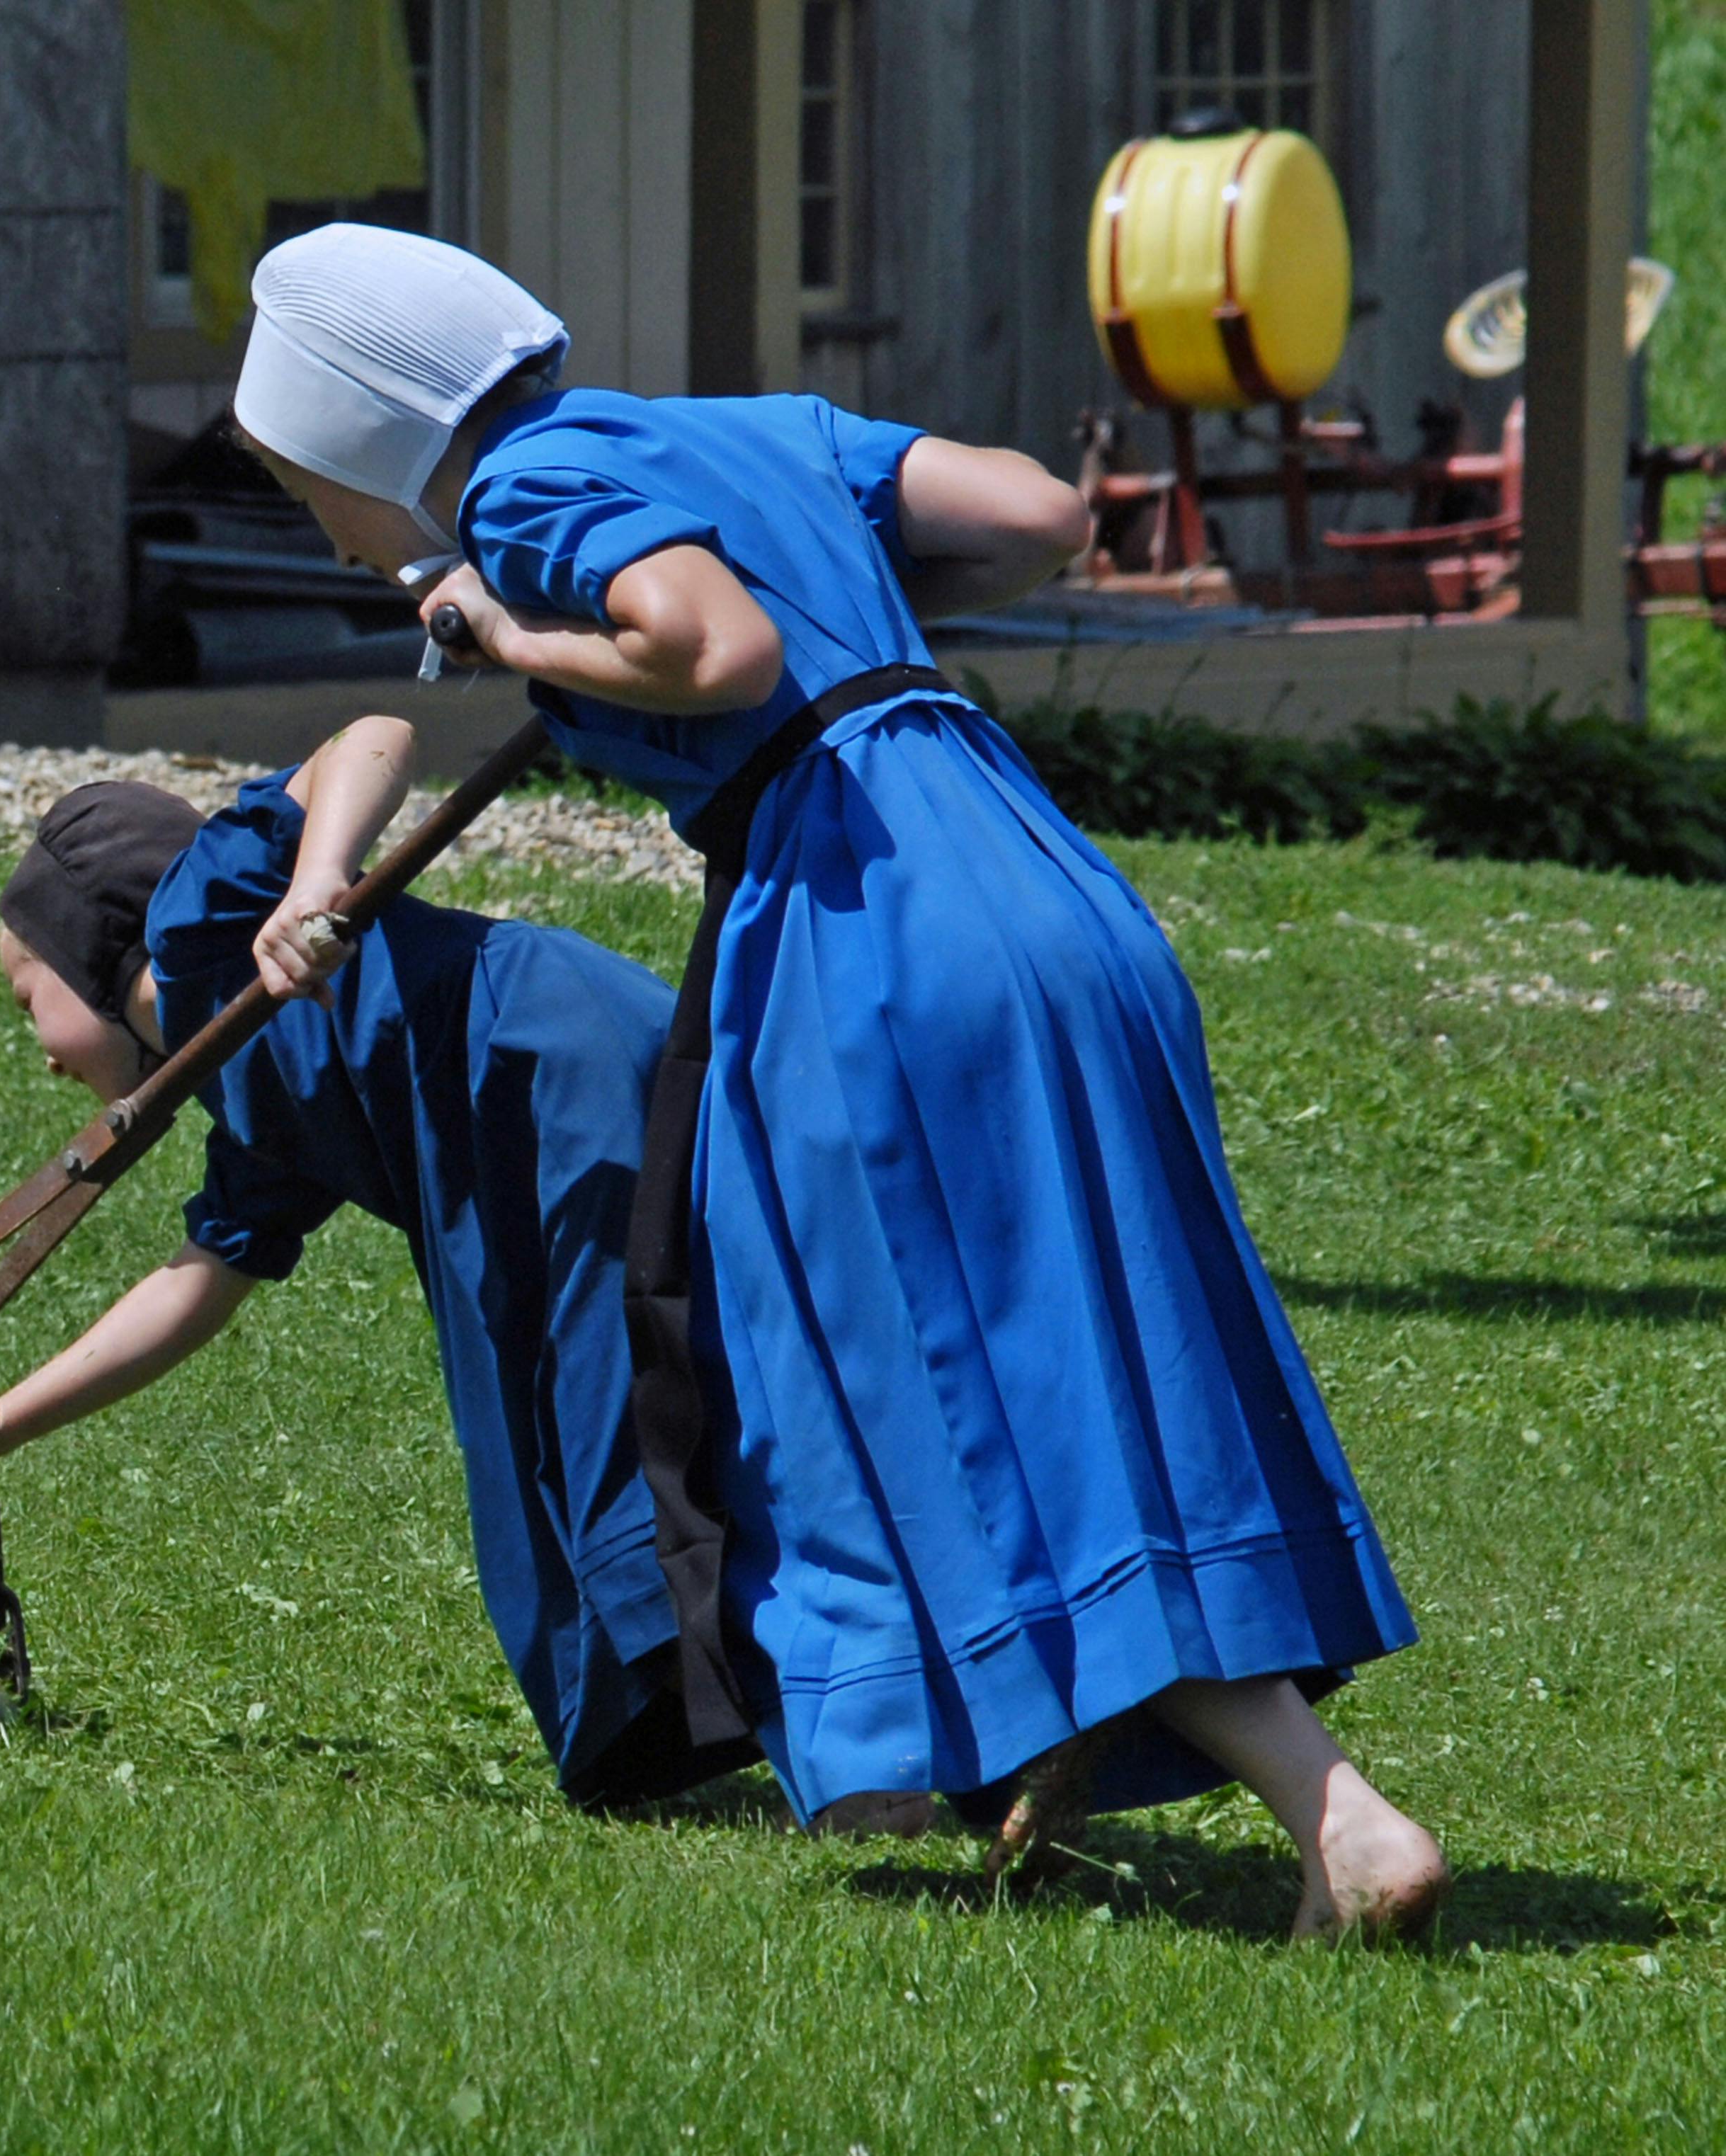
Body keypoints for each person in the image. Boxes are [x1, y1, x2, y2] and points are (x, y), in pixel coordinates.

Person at [223, 222, 1445, 1940]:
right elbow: (1036, 515)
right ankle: (1053, 1734)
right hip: (1032, 873)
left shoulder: (523, 486)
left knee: (896, 1385)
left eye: (306, 489)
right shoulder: (741, 434)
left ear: (362, 436)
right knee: (1071, 1349)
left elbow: (708, 652)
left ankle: (1337, 1816)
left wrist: (514, 628)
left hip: (870, 929)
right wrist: (832, 601)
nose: (326, 529)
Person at [0, 721, 790, 1813]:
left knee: (609, 1410)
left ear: (89, 949)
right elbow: (195, 1281)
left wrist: (314, 883)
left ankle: (787, 1703)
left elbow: (376, 735)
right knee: (541, 1444)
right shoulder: (247, 1098)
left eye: (30, 1001)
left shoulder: (204, 916)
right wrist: (8, 1418)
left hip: (554, 1076)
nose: (38, 1048)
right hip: (500, 1168)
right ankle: (669, 1726)